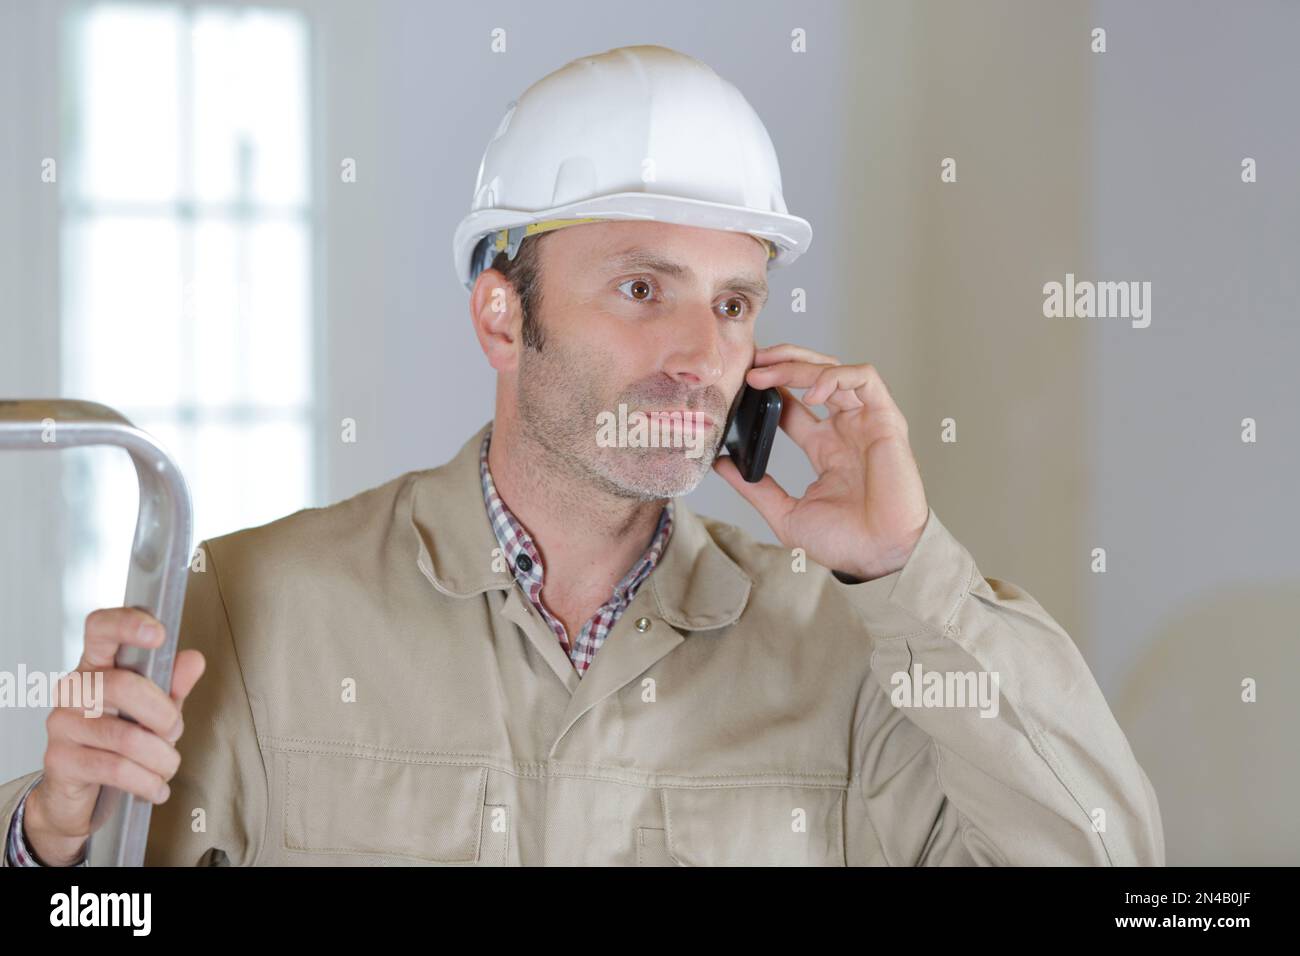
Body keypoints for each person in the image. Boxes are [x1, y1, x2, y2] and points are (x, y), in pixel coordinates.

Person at [0, 44, 1163, 866]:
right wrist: (54, 844)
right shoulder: (259, 606)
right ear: (502, 314)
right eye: (642, 287)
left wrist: (907, 566)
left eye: (734, 301)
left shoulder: (843, 647)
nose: (698, 354)